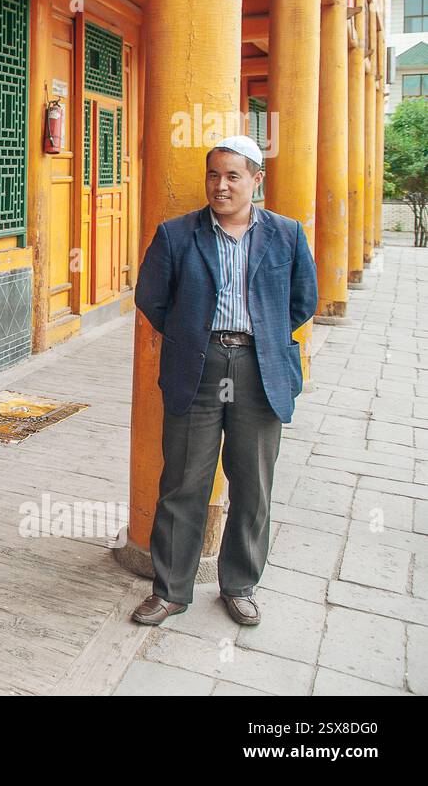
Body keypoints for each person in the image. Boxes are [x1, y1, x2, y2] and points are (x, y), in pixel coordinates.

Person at [130, 135, 317, 629]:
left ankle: (239, 585)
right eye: (214, 174)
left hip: (260, 367)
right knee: (183, 481)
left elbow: (303, 301)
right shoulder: (177, 235)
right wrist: (193, 334)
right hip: (199, 363)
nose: (221, 185)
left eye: (234, 175)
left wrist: (264, 337)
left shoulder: (287, 234)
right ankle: (170, 591)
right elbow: (151, 297)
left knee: (253, 484)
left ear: (257, 179)